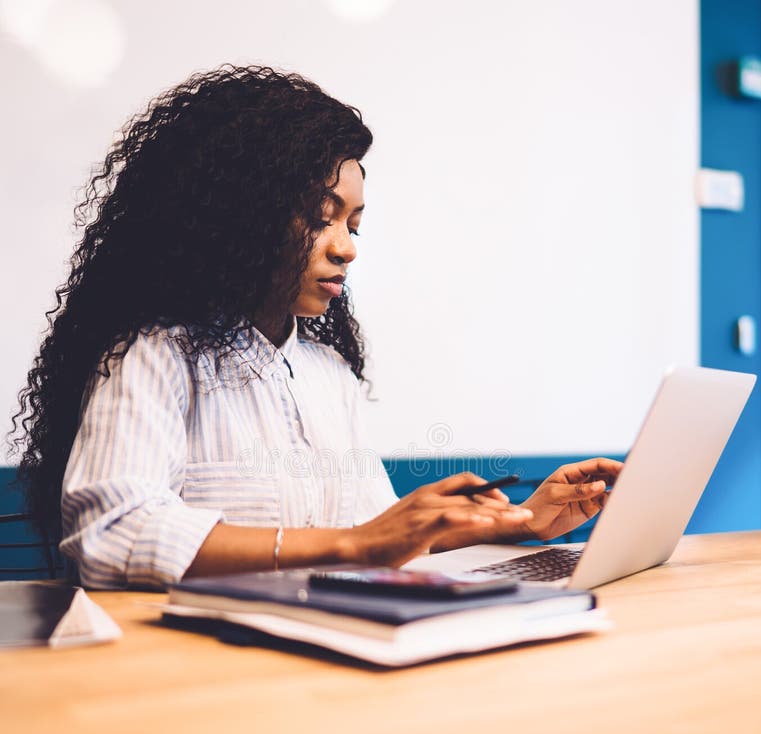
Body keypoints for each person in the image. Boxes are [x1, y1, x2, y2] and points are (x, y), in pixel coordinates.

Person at [12, 65, 622, 589]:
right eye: (319, 219)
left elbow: (380, 536)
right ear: (238, 220)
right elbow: (112, 533)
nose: (346, 249)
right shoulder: (155, 356)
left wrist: (524, 521)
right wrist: (357, 545)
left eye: (353, 225)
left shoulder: (328, 374)